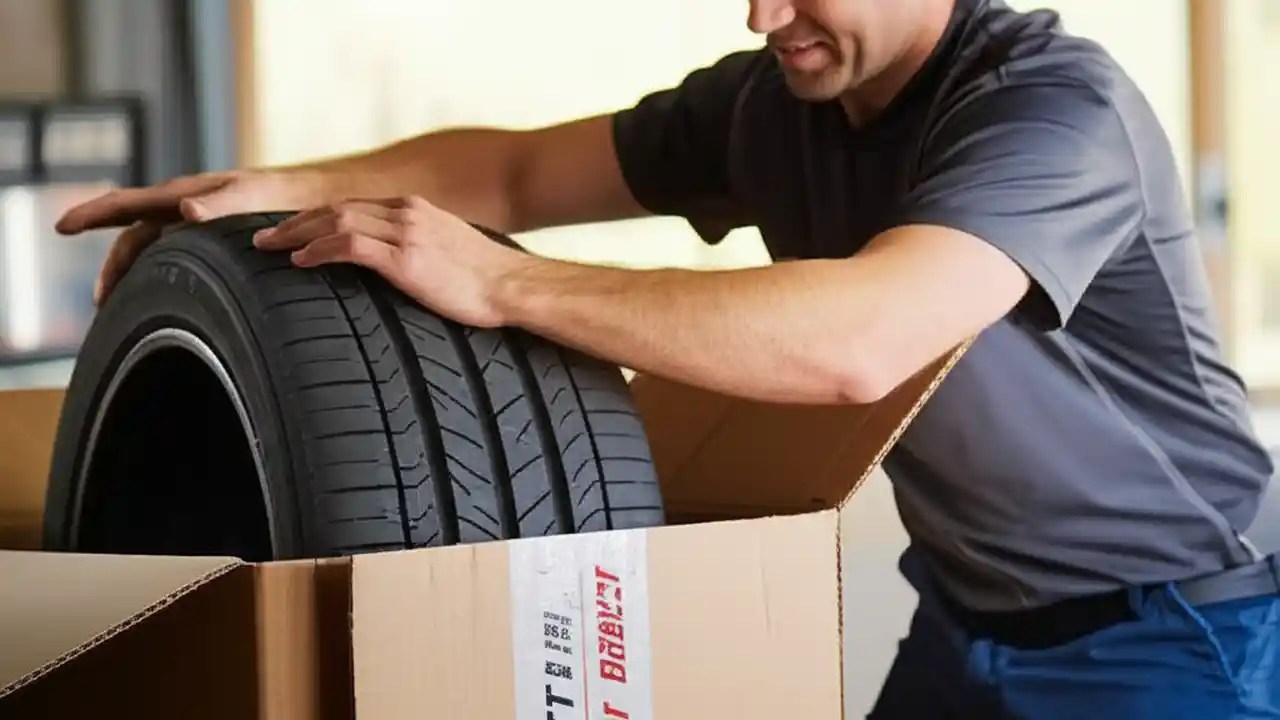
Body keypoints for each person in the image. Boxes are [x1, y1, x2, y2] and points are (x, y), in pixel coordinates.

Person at [55, 0, 1279, 716]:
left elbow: (864, 338)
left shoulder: (1051, 110)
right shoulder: (771, 107)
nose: (760, 15)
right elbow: (516, 172)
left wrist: (500, 282)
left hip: (1177, 627)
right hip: (968, 614)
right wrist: (265, 188)